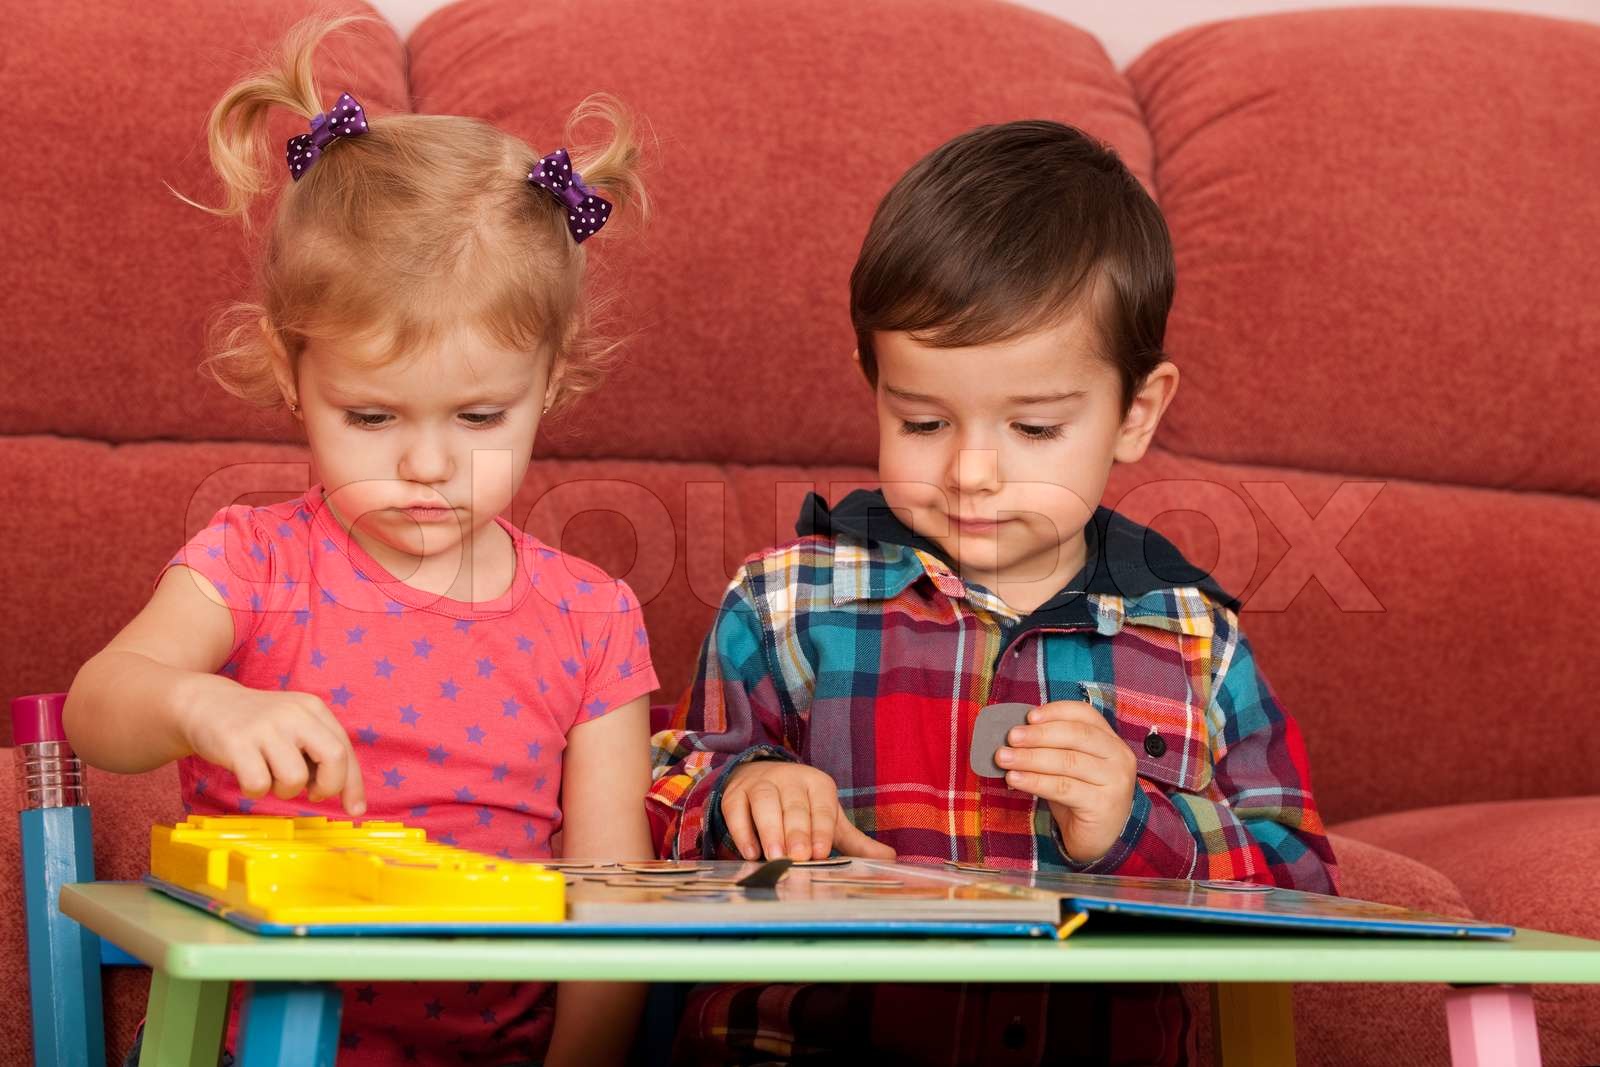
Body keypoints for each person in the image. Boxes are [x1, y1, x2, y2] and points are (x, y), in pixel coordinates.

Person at [649, 119, 1338, 1065]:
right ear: (875, 383)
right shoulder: (783, 603)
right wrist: (743, 789)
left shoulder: (1190, 636)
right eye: (924, 420)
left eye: (1036, 428)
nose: (972, 472)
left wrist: (1133, 823)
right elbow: (647, 813)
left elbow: (1303, 883)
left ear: (1137, 412)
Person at [64, 15, 657, 1065]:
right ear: (295, 381)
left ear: (549, 386)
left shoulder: (594, 618)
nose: (427, 466)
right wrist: (196, 698)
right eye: (372, 418)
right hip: (253, 1045)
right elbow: (100, 712)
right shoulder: (252, 560)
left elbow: (614, 914)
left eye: (478, 418)